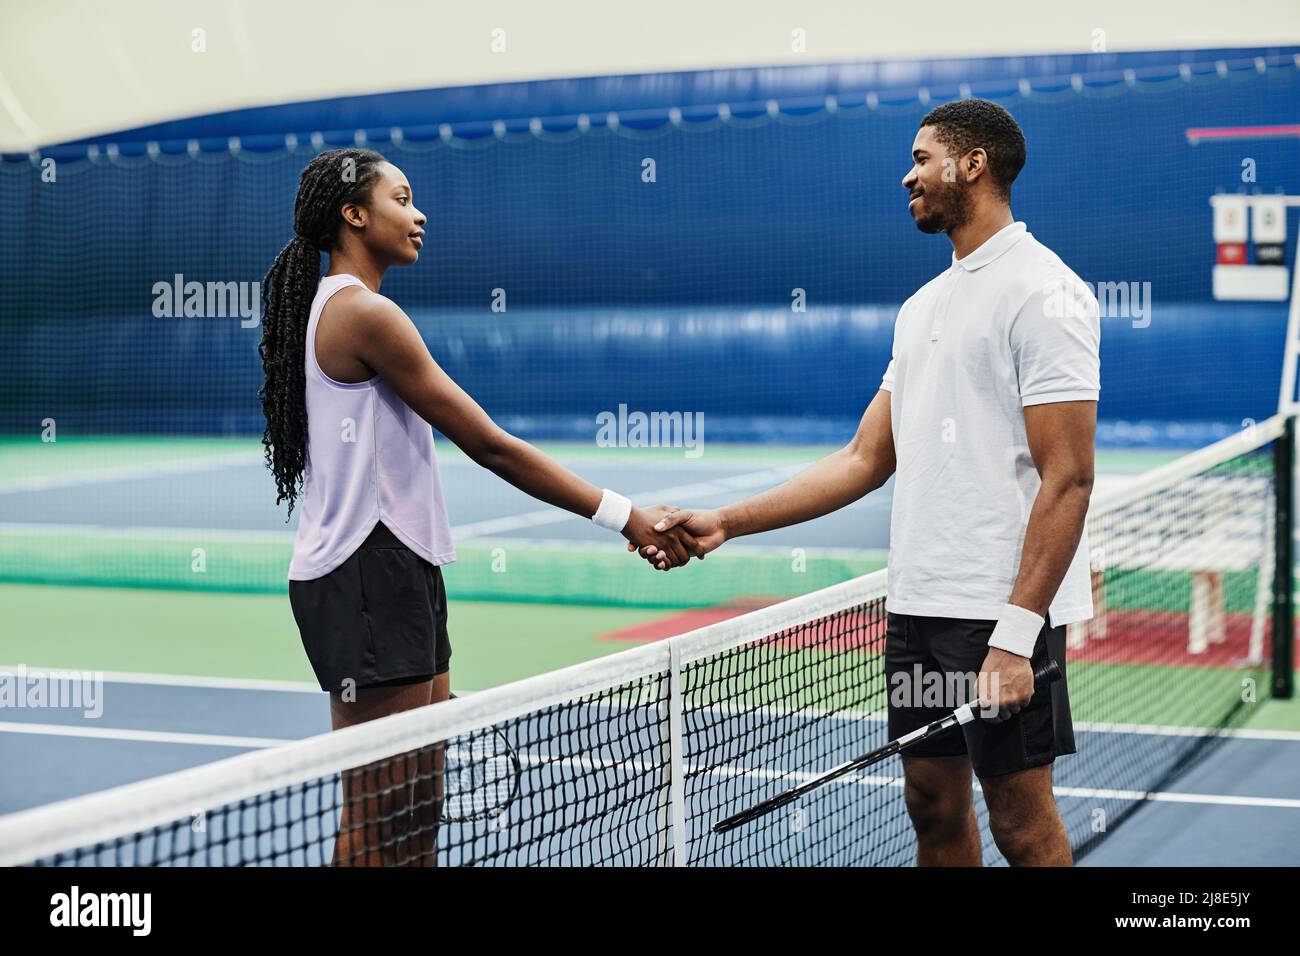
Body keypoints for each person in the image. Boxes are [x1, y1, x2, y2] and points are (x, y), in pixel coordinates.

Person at [642, 99, 1100, 866]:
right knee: (930, 807)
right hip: (918, 604)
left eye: (922, 158)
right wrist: (727, 521)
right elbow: (863, 458)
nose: (907, 174)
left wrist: (1016, 639)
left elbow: (1070, 478)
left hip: (996, 616)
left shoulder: (1044, 292)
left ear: (973, 164)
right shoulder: (925, 305)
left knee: (1021, 824)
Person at [258, 148, 700, 865]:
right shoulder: (364, 314)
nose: (419, 213)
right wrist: (629, 516)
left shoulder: (348, 309)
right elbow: (489, 445)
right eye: (401, 198)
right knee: (381, 821)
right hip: (365, 576)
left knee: (415, 816)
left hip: (398, 568)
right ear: (354, 213)